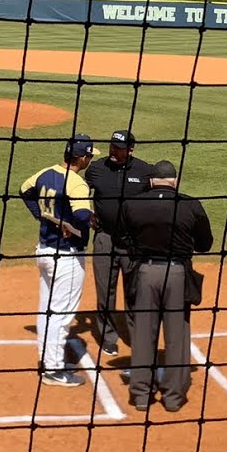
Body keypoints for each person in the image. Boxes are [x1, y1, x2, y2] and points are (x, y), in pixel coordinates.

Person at [118, 159, 213, 412]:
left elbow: (124, 238)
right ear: (176, 181)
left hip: (145, 273)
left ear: (151, 182)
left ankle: (140, 395)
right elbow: (205, 244)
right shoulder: (189, 204)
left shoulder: (133, 204)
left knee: (143, 335)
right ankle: (172, 398)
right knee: (177, 337)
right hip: (177, 274)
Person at [19, 134, 98, 387]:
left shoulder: (45, 173)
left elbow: (24, 191)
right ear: (82, 158)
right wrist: (89, 221)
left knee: (47, 309)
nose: (89, 160)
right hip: (67, 257)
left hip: (44, 251)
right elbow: (83, 215)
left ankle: (46, 357)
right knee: (62, 316)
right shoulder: (76, 184)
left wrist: (43, 217)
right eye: (88, 156)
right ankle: (53, 369)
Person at [83, 129, 154, 357]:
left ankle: (137, 337)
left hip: (133, 242)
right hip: (104, 238)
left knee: (134, 292)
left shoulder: (144, 171)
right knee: (105, 292)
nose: (114, 151)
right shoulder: (96, 169)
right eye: (113, 146)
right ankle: (108, 336)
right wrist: (85, 212)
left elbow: (160, 195)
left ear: (131, 150)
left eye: (120, 148)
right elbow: (78, 190)